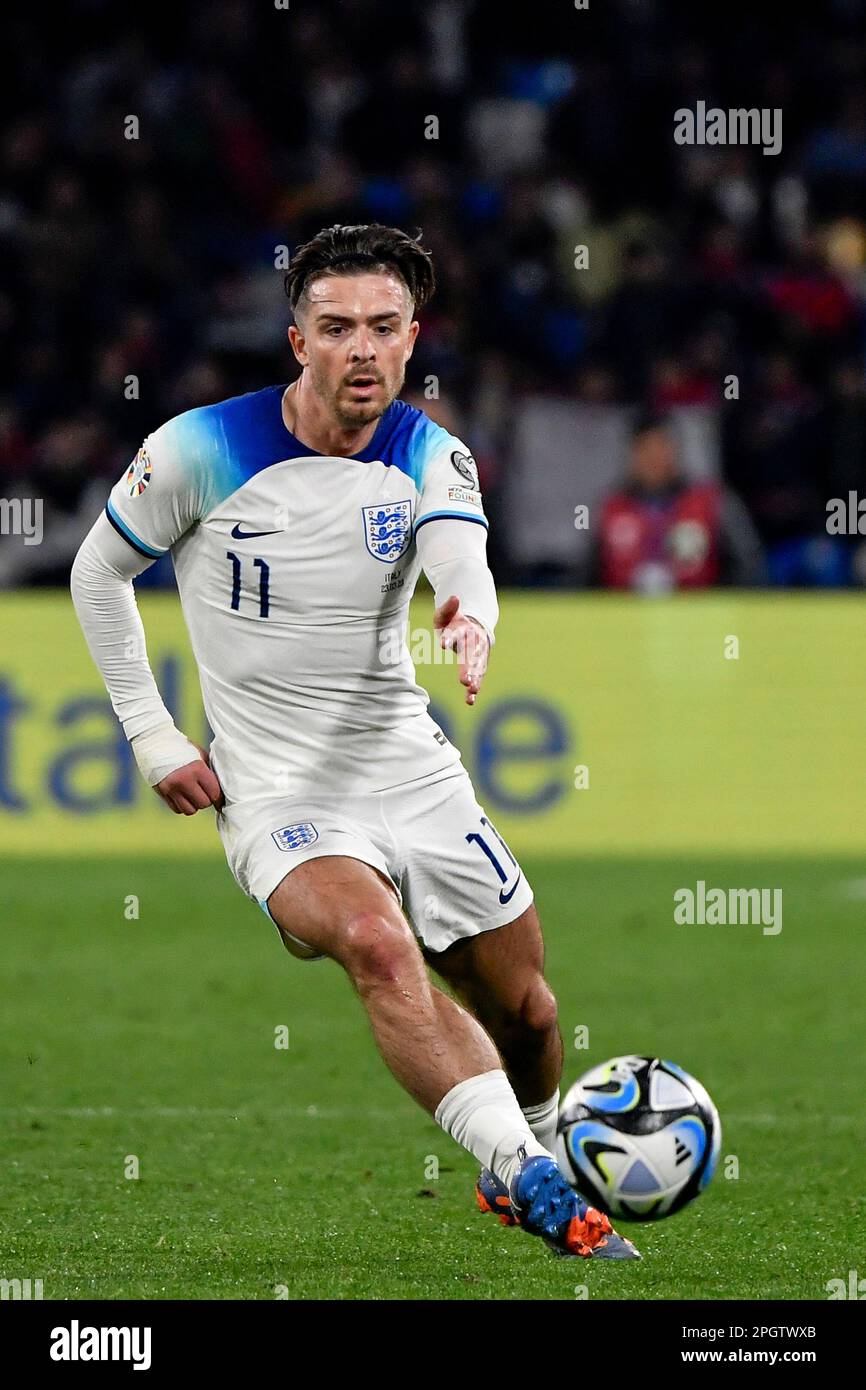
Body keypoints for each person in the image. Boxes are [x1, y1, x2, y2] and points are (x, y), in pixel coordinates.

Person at [71, 223, 639, 1261]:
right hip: (278, 789)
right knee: (378, 949)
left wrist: (467, 615)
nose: (362, 350)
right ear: (297, 341)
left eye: (383, 327)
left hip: (406, 768)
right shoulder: (197, 449)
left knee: (527, 1012)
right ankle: (530, 1176)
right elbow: (95, 574)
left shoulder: (432, 450)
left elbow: (459, 553)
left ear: (413, 336)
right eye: (336, 328)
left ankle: (534, 1146)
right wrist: (153, 736)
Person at [594, 413, 765, 591]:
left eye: (662, 446)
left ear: (677, 451)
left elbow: (750, 564)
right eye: (645, 448)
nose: (654, 457)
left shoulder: (712, 501)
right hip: (622, 614)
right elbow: (589, 577)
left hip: (702, 613)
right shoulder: (610, 508)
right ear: (631, 454)